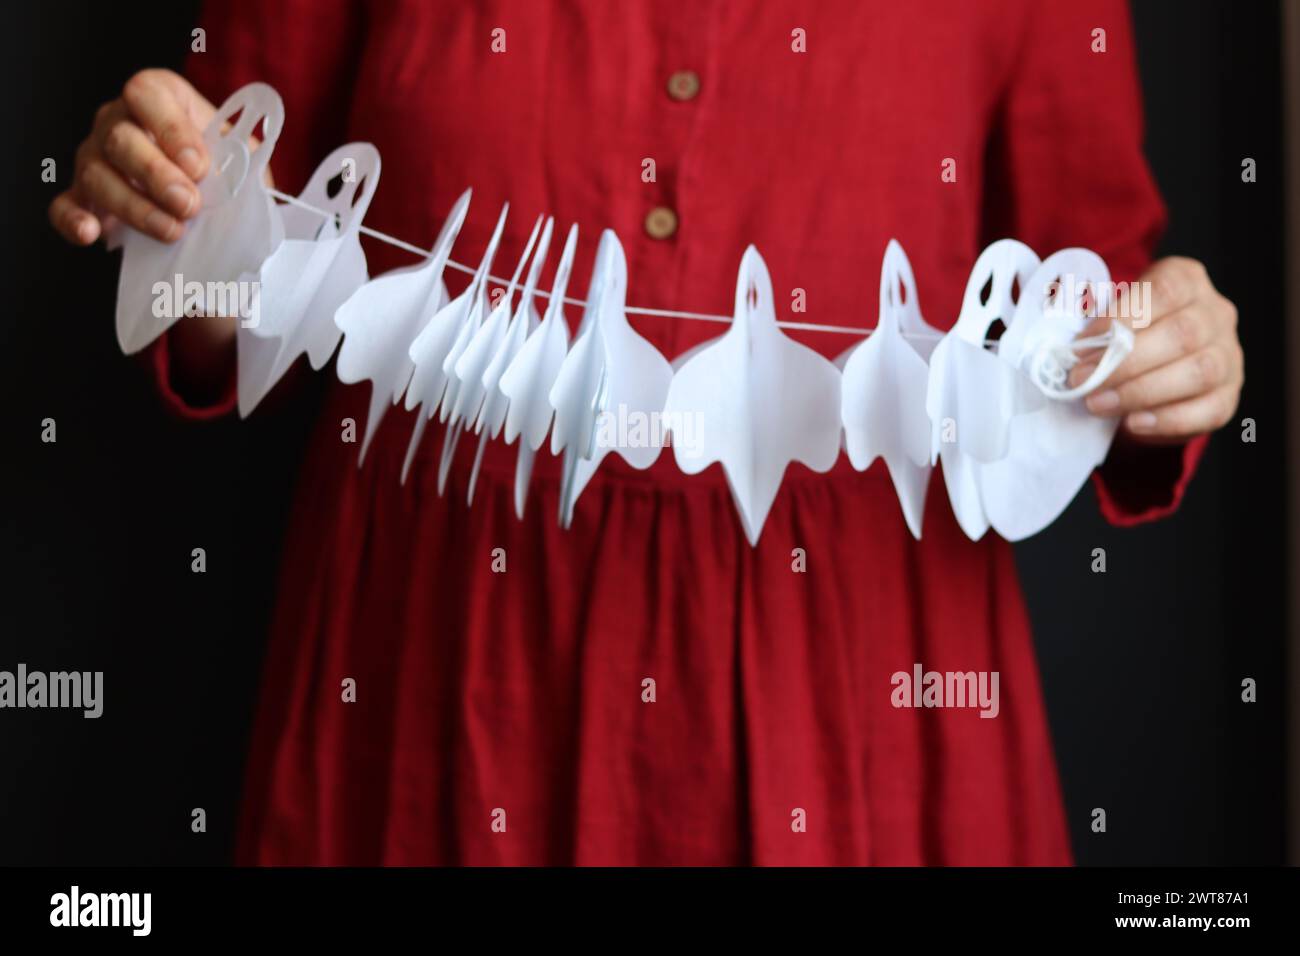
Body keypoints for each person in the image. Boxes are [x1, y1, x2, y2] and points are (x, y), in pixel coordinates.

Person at [48, 1, 1243, 865]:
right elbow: (232, 289)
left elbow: (1098, 297)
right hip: (438, 660)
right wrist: (165, 211)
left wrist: (1164, 352)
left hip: (857, 679)